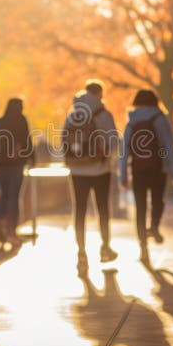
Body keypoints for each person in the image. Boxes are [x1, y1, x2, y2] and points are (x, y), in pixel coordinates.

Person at [64, 79, 120, 276]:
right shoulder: (104, 115)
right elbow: (114, 144)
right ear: (100, 94)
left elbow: (64, 142)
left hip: (77, 170)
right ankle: (105, 247)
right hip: (100, 170)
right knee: (102, 209)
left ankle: (81, 252)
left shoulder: (72, 115)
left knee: (79, 211)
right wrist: (106, 158)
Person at [118, 90, 173, 264]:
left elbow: (125, 151)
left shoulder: (131, 121)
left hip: (138, 170)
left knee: (140, 207)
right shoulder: (160, 119)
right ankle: (154, 227)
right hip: (158, 169)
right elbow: (167, 146)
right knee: (157, 201)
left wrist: (122, 175)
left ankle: (142, 246)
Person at [0, 97, 34, 248]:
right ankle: (12, 232)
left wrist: (1, 152)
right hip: (16, 164)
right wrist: (32, 158)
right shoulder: (21, 120)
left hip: (1, 165)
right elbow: (27, 141)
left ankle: (0, 222)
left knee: (4, 195)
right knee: (14, 197)